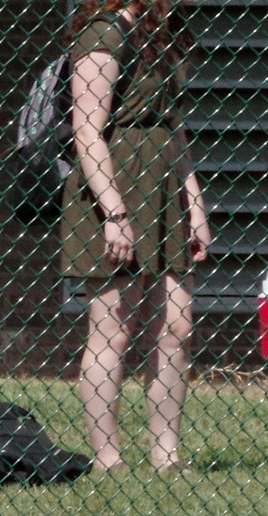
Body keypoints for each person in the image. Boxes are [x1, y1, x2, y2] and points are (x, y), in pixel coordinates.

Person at [62, 0, 208, 474]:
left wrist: (195, 205)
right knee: (114, 330)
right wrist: (115, 213)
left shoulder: (161, 34)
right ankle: (108, 458)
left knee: (177, 327)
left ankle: (166, 455)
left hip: (163, 187)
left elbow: (175, 128)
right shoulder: (103, 35)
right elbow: (87, 130)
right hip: (114, 185)